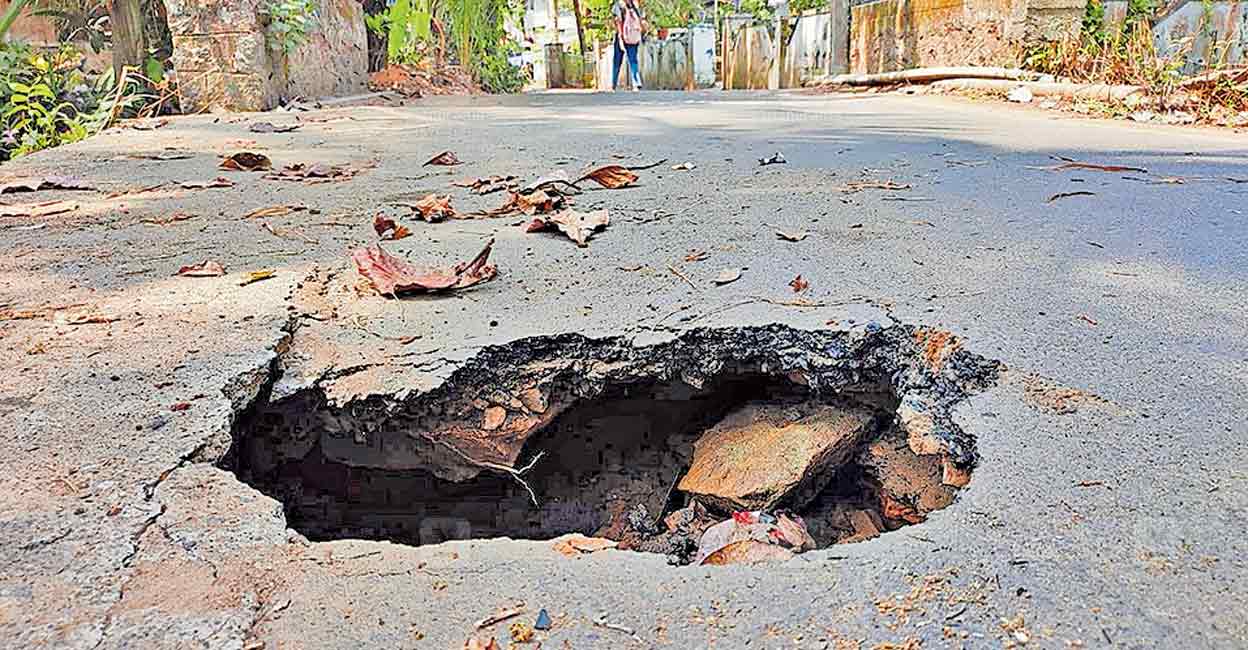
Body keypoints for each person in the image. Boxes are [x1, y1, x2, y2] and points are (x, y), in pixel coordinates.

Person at [612, 0, 644, 91]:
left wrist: (620, 35)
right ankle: (636, 83)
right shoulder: (634, 5)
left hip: (622, 36)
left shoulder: (618, 5)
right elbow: (640, 20)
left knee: (617, 61)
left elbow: (617, 21)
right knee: (633, 60)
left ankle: (613, 84)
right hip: (633, 36)